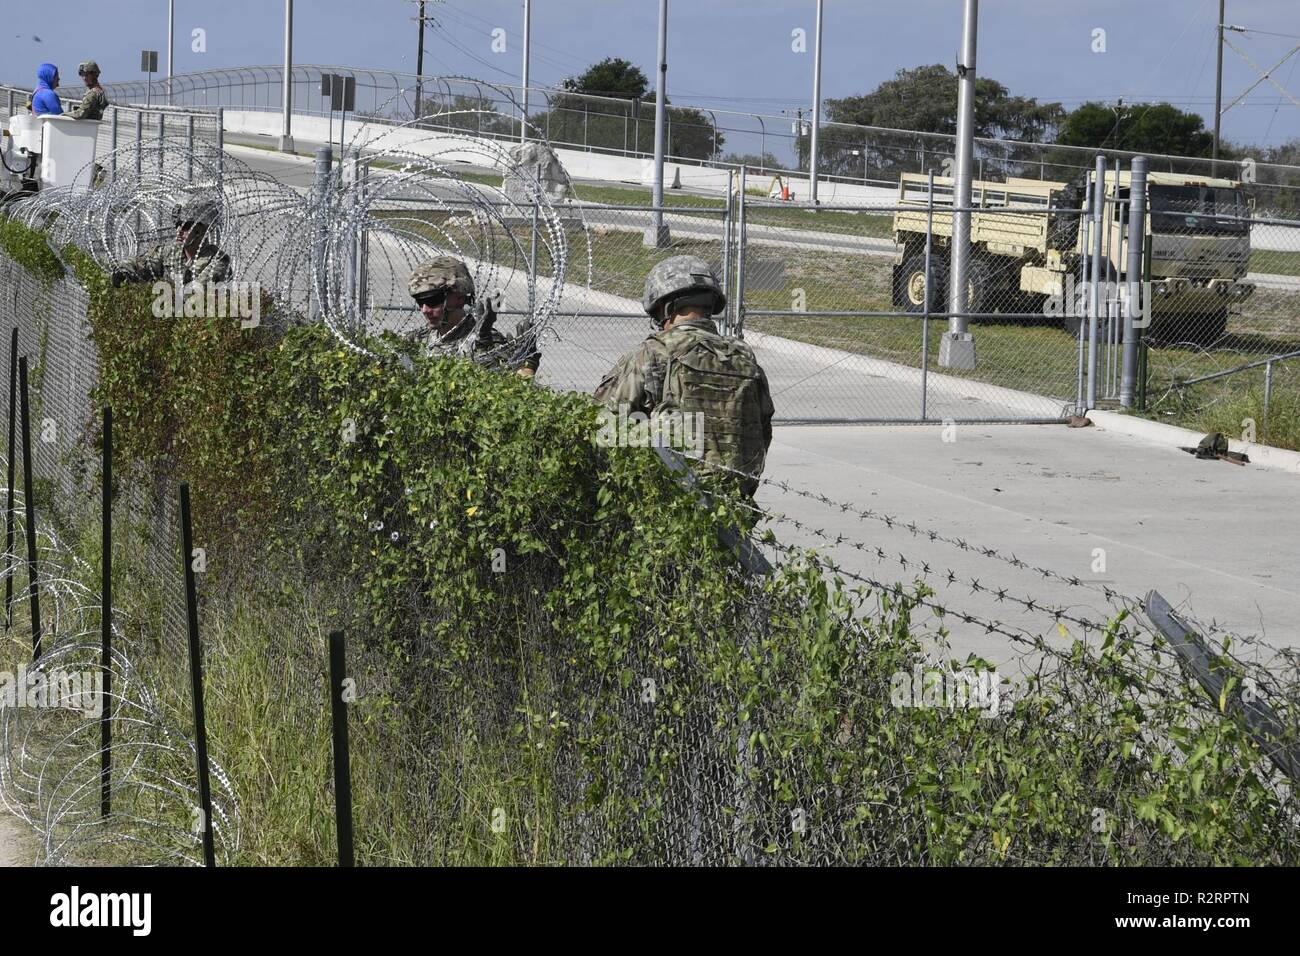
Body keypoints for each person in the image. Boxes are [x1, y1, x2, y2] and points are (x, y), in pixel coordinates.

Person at [595, 255, 775, 497]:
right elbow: (763, 431)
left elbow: (602, 424)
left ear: (666, 309)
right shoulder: (743, 356)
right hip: (734, 505)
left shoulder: (653, 352)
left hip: (670, 508)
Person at [406, 256, 539, 378]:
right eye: (419, 301)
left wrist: (524, 368)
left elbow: (511, 392)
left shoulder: (488, 341)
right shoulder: (417, 340)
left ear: (460, 297)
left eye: (433, 300)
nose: (424, 310)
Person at [110, 196, 231, 287]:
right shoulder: (169, 252)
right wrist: (124, 271)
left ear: (200, 231)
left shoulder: (217, 260)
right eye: (177, 225)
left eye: (185, 227)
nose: (179, 231)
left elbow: (196, 293)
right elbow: (144, 263)